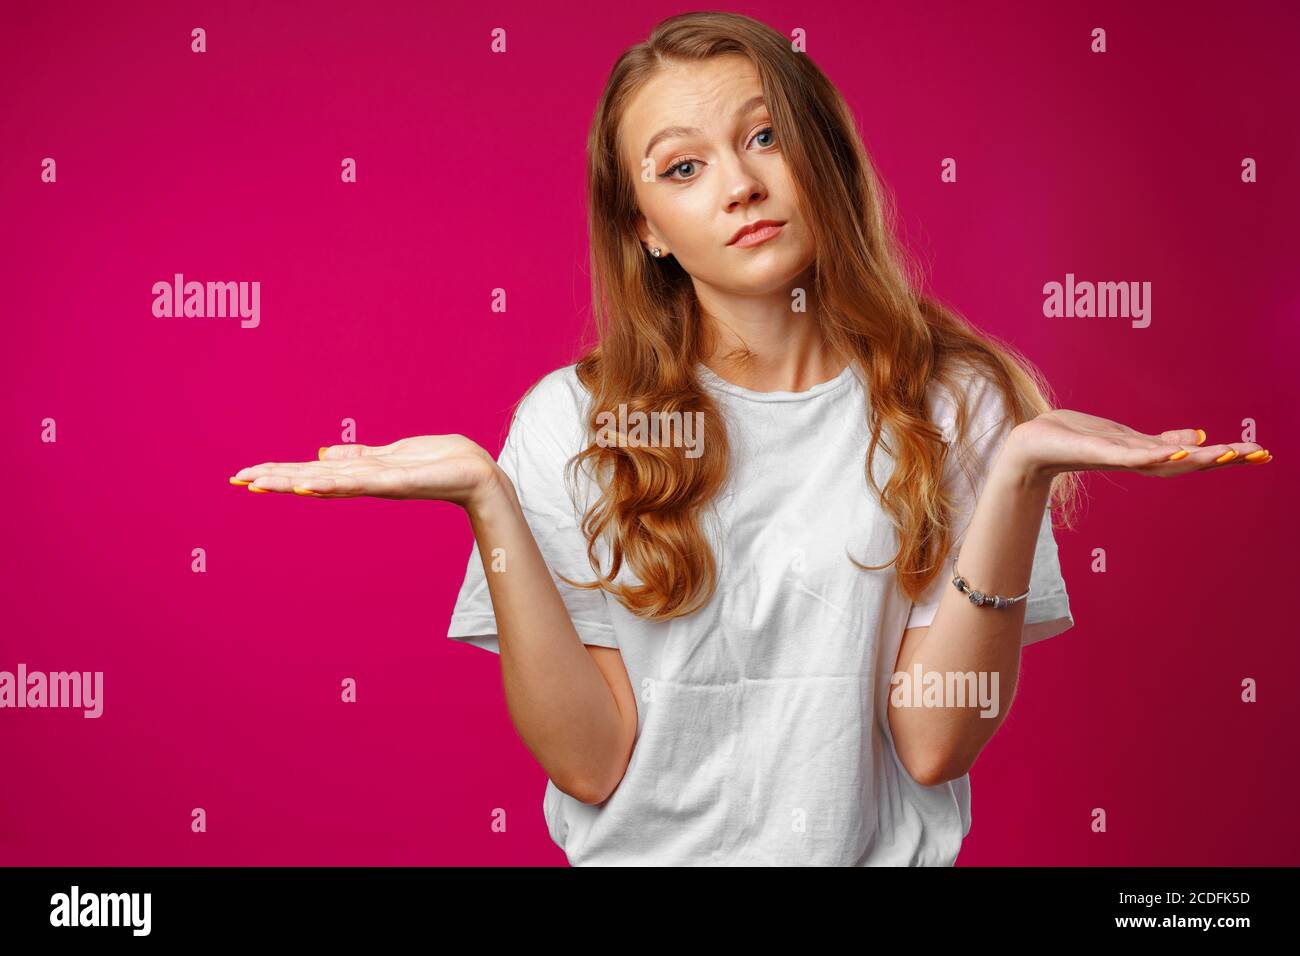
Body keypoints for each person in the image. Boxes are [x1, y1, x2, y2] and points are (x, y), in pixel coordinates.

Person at [229, 12, 1273, 866]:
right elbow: (591, 765)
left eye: (764, 137)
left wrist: (1014, 477)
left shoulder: (958, 406)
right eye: (681, 169)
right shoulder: (569, 421)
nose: (738, 185)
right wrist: (486, 499)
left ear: (818, 156)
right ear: (643, 227)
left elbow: (932, 739)